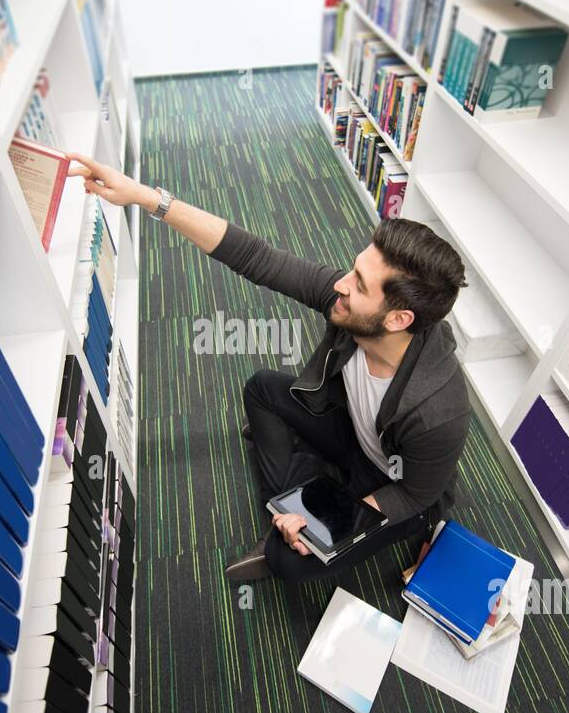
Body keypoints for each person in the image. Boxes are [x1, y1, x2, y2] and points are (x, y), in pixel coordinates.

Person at [67, 153, 470, 583]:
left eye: (359, 285)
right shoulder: (350, 304)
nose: (341, 284)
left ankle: (297, 506)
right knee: (262, 388)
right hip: (353, 436)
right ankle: (296, 500)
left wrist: (331, 517)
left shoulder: (438, 412)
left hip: (392, 483)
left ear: (398, 320)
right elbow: (259, 259)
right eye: (352, 271)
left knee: (288, 561)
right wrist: (145, 198)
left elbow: (412, 494)